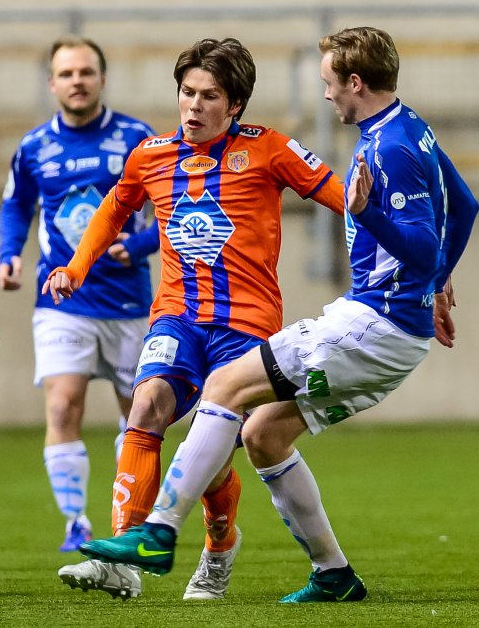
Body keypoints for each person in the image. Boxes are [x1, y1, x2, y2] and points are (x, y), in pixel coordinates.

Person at [71, 26, 479, 603]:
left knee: (226, 385)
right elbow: (465, 205)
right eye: (187, 92)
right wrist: (436, 282)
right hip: (385, 330)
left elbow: (419, 243)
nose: (326, 94)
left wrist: (374, 219)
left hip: (374, 322)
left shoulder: (384, 146)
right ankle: (333, 573)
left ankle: (158, 533)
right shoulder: (411, 127)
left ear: (354, 82)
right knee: (263, 434)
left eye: (329, 83)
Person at [45, 37, 346, 600]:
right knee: (148, 403)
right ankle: (123, 558)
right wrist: (76, 266)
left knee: (209, 447)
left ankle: (219, 544)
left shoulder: (270, 149)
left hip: (247, 326)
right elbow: (114, 209)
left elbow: (343, 197)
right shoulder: (151, 155)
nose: (194, 106)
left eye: (210, 96)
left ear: (235, 105)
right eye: (187, 93)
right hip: (177, 318)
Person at [0, 36, 159, 556]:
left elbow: (178, 204)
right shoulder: (34, 147)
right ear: (52, 83)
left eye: (86, 72)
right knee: (63, 405)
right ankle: (76, 522)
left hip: (130, 301)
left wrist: (139, 244)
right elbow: (16, 205)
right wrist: (10, 253)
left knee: (140, 413)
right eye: (66, 74)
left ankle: (127, 517)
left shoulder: (138, 138)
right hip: (61, 298)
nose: (77, 81)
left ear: (102, 78)